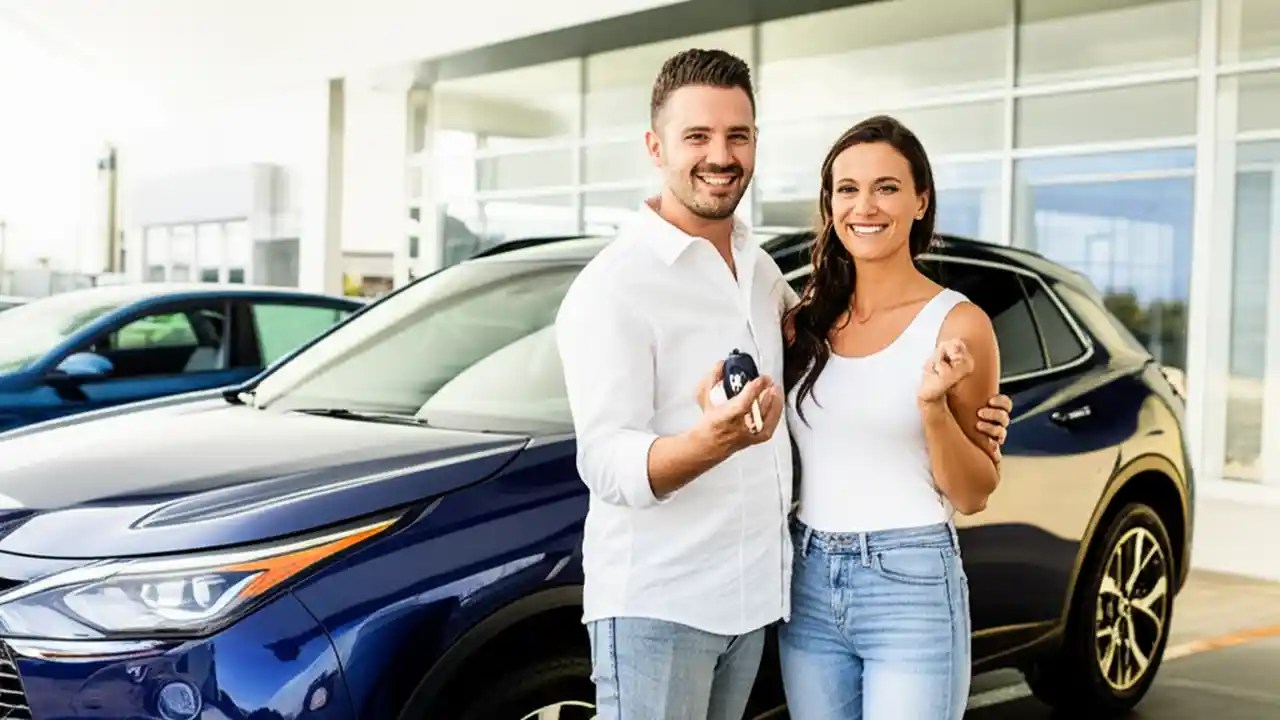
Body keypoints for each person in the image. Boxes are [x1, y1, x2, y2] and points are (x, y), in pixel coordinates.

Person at [555, 50, 1011, 720]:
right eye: (697, 137)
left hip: (763, 600)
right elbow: (603, 460)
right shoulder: (613, 285)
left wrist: (941, 412)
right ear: (655, 147)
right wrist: (708, 442)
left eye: (737, 136)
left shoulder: (762, 275)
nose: (720, 155)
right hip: (662, 600)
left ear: (921, 200)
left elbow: (948, 468)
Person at [777, 114, 1002, 720]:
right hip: (807, 581)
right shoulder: (802, 323)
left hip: (911, 584)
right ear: (829, 205)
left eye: (887, 187)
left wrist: (932, 407)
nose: (865, 205)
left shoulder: (958, 325)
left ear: (921, 200)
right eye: (847, 189)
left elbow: (975, 491)